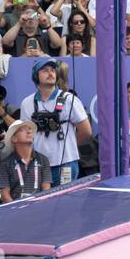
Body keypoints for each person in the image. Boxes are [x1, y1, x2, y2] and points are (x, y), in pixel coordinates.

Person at [19, 58, 91, 186]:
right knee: (40, 204)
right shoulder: (27, 103)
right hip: (39, 165)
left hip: (66, 164)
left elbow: (86, 131)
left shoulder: (69, 99)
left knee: (65, 204)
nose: (51, 73)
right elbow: (26, 135)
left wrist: (70, 146)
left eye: (53, 70)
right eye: (45, 71)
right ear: (36, 76)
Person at [0, 119, 52, 202]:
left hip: (38, 208)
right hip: (15, 211)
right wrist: (17, 211)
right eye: (22, 130)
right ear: (14, 139)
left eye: (30, 129)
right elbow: (5, 195)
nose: (29, 132)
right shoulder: (5, 164)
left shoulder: (43, 160)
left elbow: (46, 190)